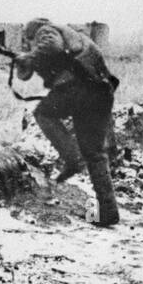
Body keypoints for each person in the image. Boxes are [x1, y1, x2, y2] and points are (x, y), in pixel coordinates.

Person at [14, 18, 120, 226]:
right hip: (100, 94)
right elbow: (29, 72)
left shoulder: (46, 30)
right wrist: (23, 62)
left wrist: (29, 56)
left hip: (79, 90)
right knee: (94, 153)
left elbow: (50, 46)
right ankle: (108, 213)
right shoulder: (72, 36)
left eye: (30, 40)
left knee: (43, 113)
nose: (32, 43)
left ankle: (72, 158)